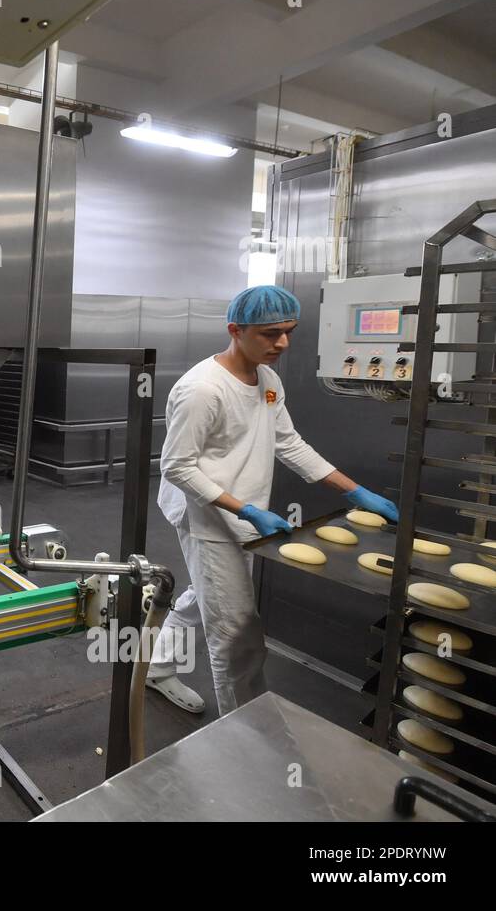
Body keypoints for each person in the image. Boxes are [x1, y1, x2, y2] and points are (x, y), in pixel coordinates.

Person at [146, 285, 398, 716]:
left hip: (244, 512)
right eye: (269, 333)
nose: (282, 343)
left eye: (288, 332)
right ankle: (245, 731)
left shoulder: (267, 379)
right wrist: (246, 510)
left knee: (208, 594)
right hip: (207, 514)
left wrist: (353, 490)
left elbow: (289, 443)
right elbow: (177, 468)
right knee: (237, 630)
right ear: (235, 330)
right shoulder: (203, 390)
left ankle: (157, 664)